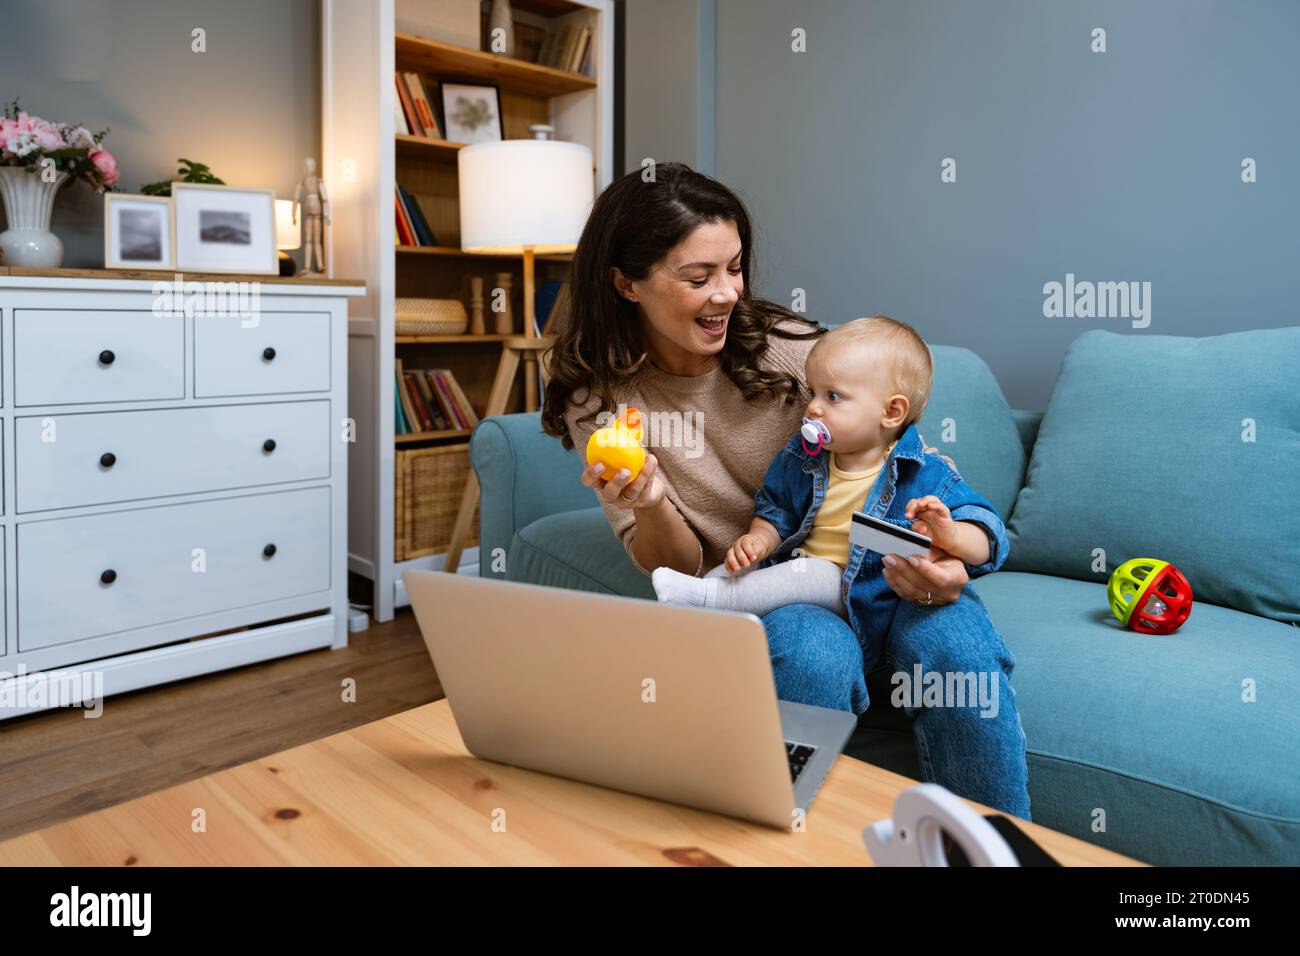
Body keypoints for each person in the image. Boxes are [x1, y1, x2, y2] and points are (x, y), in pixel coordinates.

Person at [540, 163, 1030, 819]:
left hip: (886, 582)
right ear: (626, 282)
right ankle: (793, 832)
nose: (727, 295)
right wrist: (650, 498)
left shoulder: (795, 350)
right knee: (810, 657)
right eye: (698, 278)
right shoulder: (598, 398)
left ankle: (998, 849)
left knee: (957, 646)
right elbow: (678, 565)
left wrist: (952, 561)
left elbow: (910, 465)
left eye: (735, 268)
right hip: (785, 595)